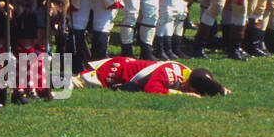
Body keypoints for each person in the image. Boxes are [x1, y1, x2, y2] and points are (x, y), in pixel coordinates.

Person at [77, 56, 229, 96]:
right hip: (112, 72)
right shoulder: (171, 76)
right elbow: (152, 88)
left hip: (120, 64)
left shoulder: (187, 72)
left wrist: (219, 88)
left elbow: (204, 81)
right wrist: (182, 94)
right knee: (68, 82)